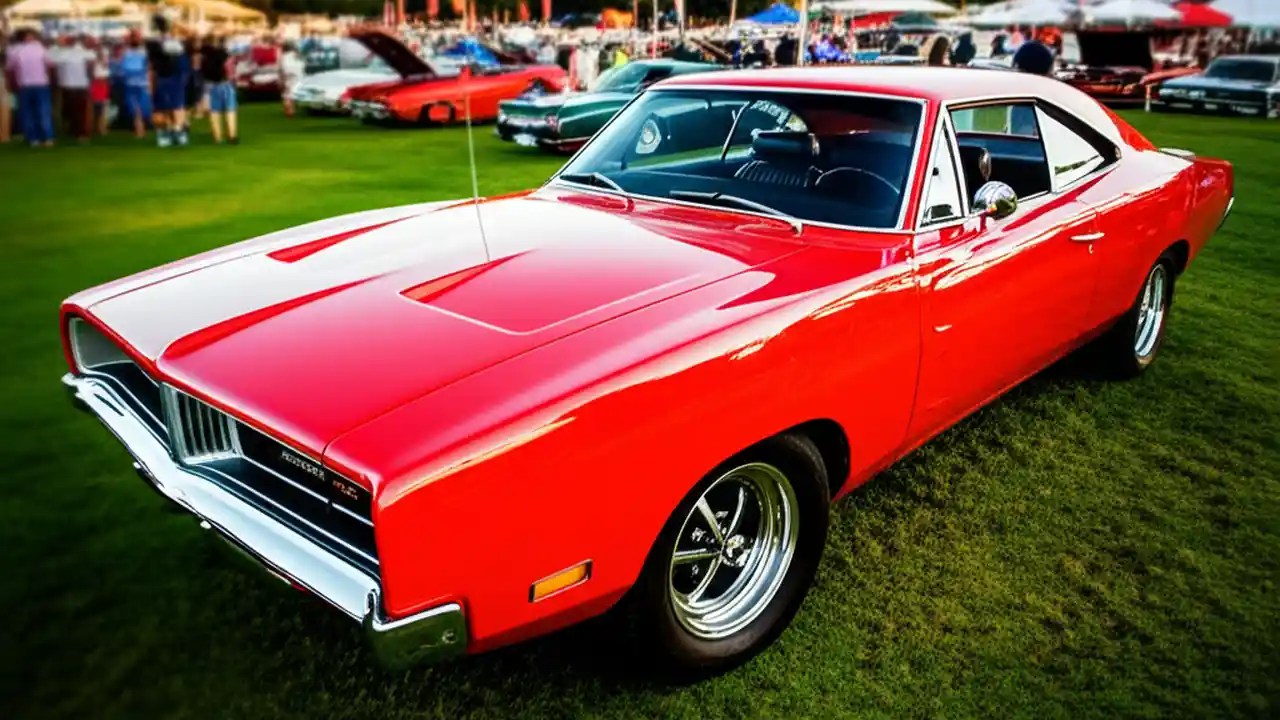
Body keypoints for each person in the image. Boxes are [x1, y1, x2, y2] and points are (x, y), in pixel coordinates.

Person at [5, 29, 54, 147]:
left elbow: (9, 68)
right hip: (39, 84)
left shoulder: (16, 51)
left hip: (26, 85)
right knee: (42, 112)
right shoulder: (40, 49)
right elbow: (50, 64)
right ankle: (47, 137)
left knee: (29, 113)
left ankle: (34, 138)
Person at [148, 16, 190, 146]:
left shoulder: (152, 43)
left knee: (162, 107)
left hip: (162, 75)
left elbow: (151, 63)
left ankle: (165, 132)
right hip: (173, 75)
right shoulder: (174, 42)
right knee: (177, 105)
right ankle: (178, 131)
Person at [53, 34, 93, 142]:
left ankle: (79, 132)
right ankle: (77, 131)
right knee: (75, 110)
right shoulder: (80, 52)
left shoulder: (65, 53)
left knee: (75, 110)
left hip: (72, 85)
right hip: (77, 85)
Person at [201, 35, 237, 144]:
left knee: (214, 111)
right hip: (226, 83)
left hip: (211, 85)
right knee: (230, 109)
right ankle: (232, 134)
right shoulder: (225, 54)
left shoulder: (205, 56)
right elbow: (231, 70)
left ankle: (218, 137)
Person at [119, 31, 150, 138]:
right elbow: (147, 67)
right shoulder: (143, 52)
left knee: (136, 107)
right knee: (139, 107)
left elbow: (123, 69)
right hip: (139, 83)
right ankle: (139, 128)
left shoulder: (126, 53)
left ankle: (139, 129)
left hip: (134, 83)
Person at [279, 41, 304, 116]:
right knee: (294, 91)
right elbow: (303, 65)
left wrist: (281, 79)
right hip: (298, 74)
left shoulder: (283, 56)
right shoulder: (298, 55)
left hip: (289, 74)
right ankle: (291, 107)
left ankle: (290, 109)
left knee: (288, 92)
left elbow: (282, 69)